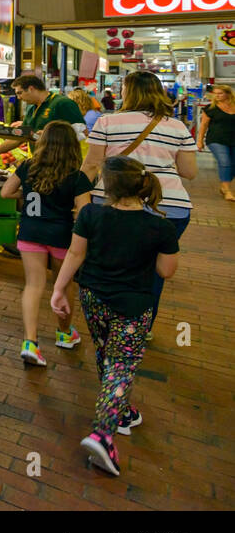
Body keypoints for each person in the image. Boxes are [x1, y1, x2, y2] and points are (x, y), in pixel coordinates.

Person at [51, 156, 179, 477]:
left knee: (108, 357)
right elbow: (166, 270)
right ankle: (103, 434)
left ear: (108, 185)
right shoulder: (161, 226)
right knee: (121, 364)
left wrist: (58, 289)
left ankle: (120, 410)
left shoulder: (90, 214)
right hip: (133, 305)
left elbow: (76, 253)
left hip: (93, 297)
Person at [81, 70, 196, 331]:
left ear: (128, 92)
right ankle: (140, 327)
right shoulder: (177, 126)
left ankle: (109, 322)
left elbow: (90, 165)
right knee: (153, 270)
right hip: (169, 207)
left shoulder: (107, 122)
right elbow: (190, 172)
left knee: (109, 262)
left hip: (111, 203)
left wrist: (77, 196)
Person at [0, 121, 92, 366]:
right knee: (62, 285)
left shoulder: (28, 166)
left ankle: (30, 342)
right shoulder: (77, 175)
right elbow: (85, 211)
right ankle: (64, 332)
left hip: (30, 232)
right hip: (61, 235)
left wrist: (30, 196)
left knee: (33, 286)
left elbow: (5, 193)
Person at [0, 74, 85, 161]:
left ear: (31, 89)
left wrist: (50, 134)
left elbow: (83, 132)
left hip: (61, 163)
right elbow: (20, 137)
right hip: (39, 162)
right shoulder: (31, 110)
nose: (19, 98)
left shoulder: (62, 103)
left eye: (20, 93)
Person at [196, 83, 235, 201]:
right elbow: (203, 125)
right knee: (225, 162)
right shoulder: (210, 109)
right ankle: (226, 189)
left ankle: (224, 184)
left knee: (232, 164)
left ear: (228, 94)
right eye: (215, 93)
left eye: (220, 93)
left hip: (233, 139)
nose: (217, 96)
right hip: (216, 139)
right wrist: (199, 141)